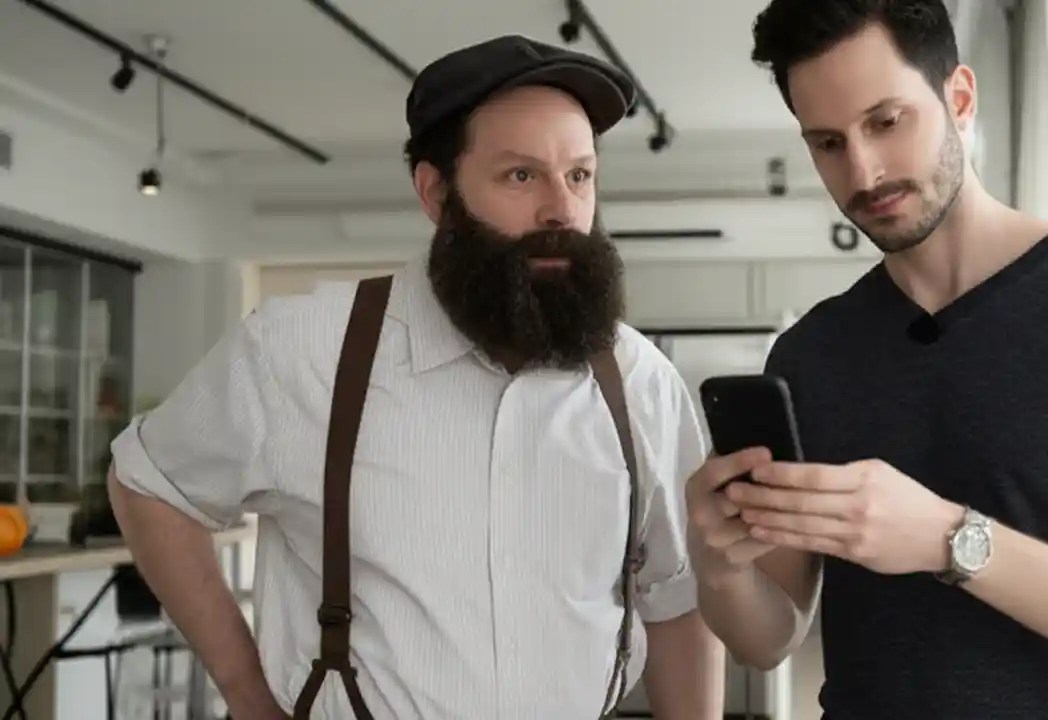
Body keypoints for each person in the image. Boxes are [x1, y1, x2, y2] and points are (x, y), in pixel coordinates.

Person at [107, 35, 724, 719]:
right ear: (435, 193)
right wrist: (247, 692)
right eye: (521, 176)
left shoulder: (642, 383)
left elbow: (677, 596)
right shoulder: (303, 351)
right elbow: (149, 482)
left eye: (579, 175)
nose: (562, 209)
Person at [686, 2, 1048, 719]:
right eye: (827, 142)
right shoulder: (809, 354)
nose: (863, 169)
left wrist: (947, 540)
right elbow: (771, 636)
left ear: (960, 98)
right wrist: (719, 570)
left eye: (886, 121)